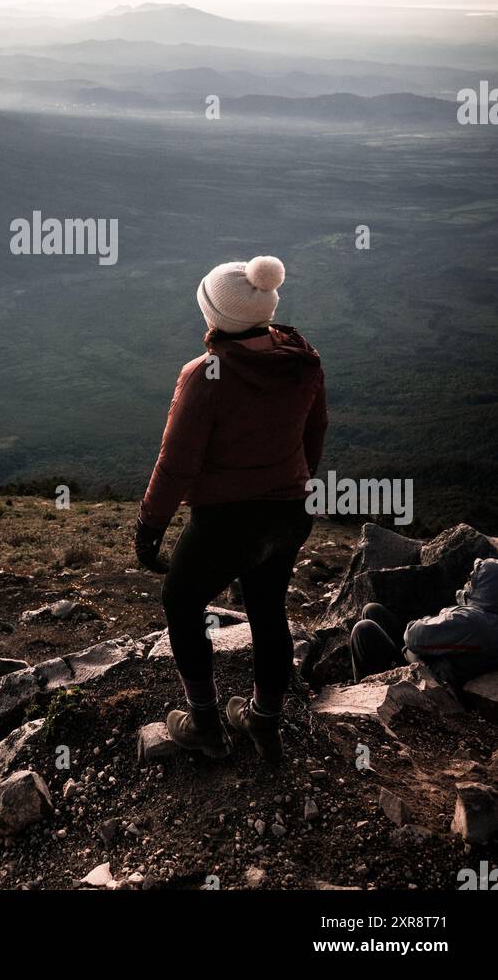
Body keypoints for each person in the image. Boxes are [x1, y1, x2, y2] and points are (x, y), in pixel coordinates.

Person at [135, 255, 327, 765]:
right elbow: (314, 437)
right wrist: (293, 484)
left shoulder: (205, 374)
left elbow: (175, 464)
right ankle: (263, 724)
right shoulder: (302, 360)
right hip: (289, 513)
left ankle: (205, 725)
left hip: (227, 522)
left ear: (215, 315)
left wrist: (149, 527)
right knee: (268, 611)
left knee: (180, 602)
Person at [351, 558, 498, 686]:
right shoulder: (488, 619)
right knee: (373, 610)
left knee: (364, 630)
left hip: (423, 679)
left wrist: (435, 617)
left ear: (486, 587)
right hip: (430, 662)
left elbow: (413, 636)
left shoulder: (472, 620)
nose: (469, 580)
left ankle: (363, 696)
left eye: (474, 578)